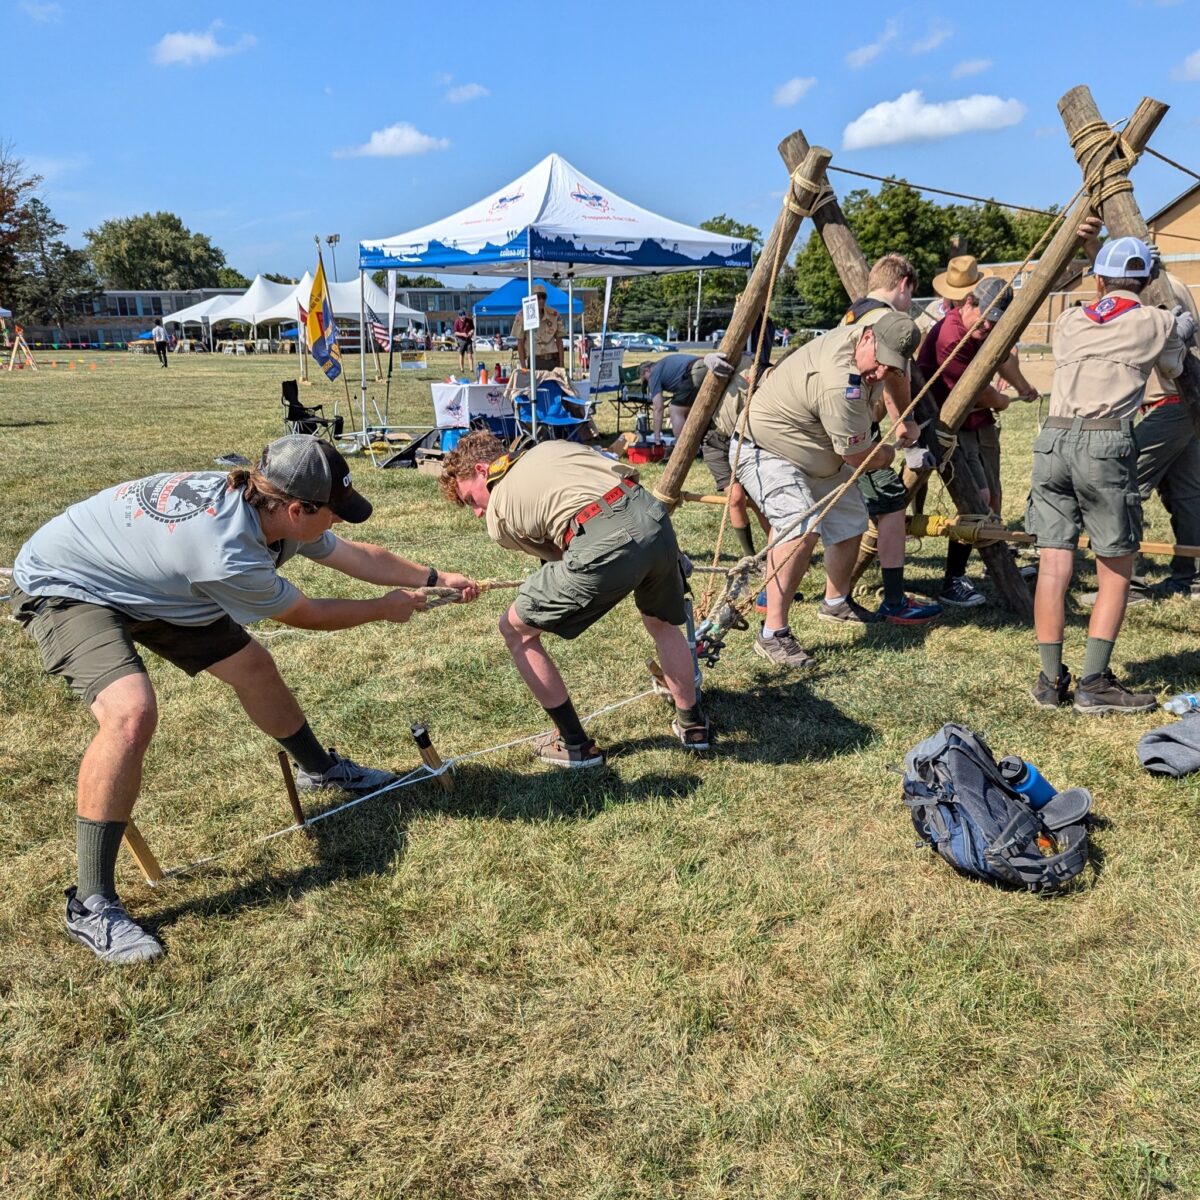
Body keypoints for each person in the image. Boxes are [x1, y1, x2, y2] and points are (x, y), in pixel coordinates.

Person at [10, 434, 479, 964]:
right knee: (130, 712)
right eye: (335, 511)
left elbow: (353, 555)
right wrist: (384, 608)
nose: (341, 520)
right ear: (298, 509)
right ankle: (91, 904)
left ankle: (319, 769)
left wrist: (434, 577)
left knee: (253, 667)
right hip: (70, 584)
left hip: (156, 581)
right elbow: (308, 615)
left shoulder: (272, 510)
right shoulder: (226, 552)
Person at [438, 432, 709, 766]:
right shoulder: (551, 447)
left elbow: (560, 557)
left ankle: (575, 745)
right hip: (650, 514)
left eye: (470, 500)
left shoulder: (499, 515)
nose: (477, 512)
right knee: (661, 622)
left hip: (602, 538)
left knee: (515, 629)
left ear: (481, 469)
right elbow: (623, 476)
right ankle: (693, 726)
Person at [1027, 235, 1190, 714]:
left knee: (1054, 565)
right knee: (1116, 566)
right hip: (1105, 442)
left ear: (1098, 279)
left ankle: (1049, 678)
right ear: (1145, 282)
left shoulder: (1071, 320)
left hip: (1053, 439)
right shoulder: (1156, 322)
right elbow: (1174, 365)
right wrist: (1177, 327)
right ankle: (1094, 681)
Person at [732, 311, 922, 668]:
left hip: (818, 452)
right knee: (800, 528)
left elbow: (899, 373)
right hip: (769, 449)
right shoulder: (841, 383)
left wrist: (906, 418)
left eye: (890, 368)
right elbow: (858, 457)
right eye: (879, 364)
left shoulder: (882, 329)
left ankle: (835, 601)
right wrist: (885, 452)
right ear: (867, 339)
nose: (880, 374)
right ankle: (773, 632)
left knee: (850, 521)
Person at [1074, 224, 1200, 606]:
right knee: (1187, 494)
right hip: (1184, 405)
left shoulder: (1157, 293)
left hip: (1168, 403)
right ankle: (1191, 577)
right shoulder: (1161, 285)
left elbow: (1123, 323)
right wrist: (1092, 244)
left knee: (1124, 486)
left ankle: (1132, 582)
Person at [917, 272, 1040, 608]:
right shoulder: (951, 336)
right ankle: (952, 580)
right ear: (969, 303)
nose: (988, 330)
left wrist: (1023, 387)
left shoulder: (982, 327)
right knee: (976, 501)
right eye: (986, 323)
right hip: (950, 423)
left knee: (994, 497)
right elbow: (975, 392)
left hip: (977, 421)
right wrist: (1001, 400)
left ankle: (996, 561)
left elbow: (1001, 357)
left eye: (995, 325)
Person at [840, 253, 943, 625]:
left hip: (837, 421)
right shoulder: (889, 320)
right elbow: (892, 377)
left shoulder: (854, 314)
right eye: (910, 295)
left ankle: (832, 593)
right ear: (903, 285)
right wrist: (909, 432)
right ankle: (895, 600)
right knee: (890, 500)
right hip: (853, 429)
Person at [511, 284, 564, 371]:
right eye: (538, 297)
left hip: (553, 360)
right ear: (532, 299)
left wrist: (561, 365)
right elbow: (520, 343)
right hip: (535, 361)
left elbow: (559, 341)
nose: (541, 300)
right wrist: (524, 368)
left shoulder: (554, 315)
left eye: (544, 297)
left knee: (553, 384)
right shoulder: (523, 316)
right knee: (537, 385)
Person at [452, 309, 475, 373]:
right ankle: (462, 369)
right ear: (459, 316)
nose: (463, 317)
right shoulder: (457, 322)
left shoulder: (469, 320)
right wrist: (462, 334)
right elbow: (455, 333)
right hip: (461, 340)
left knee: (470, 354)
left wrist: (471, 332)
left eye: (464, 315)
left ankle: (471, 369)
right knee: (461, 354)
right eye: (461, 316)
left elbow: (472, 329)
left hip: (468, 339)